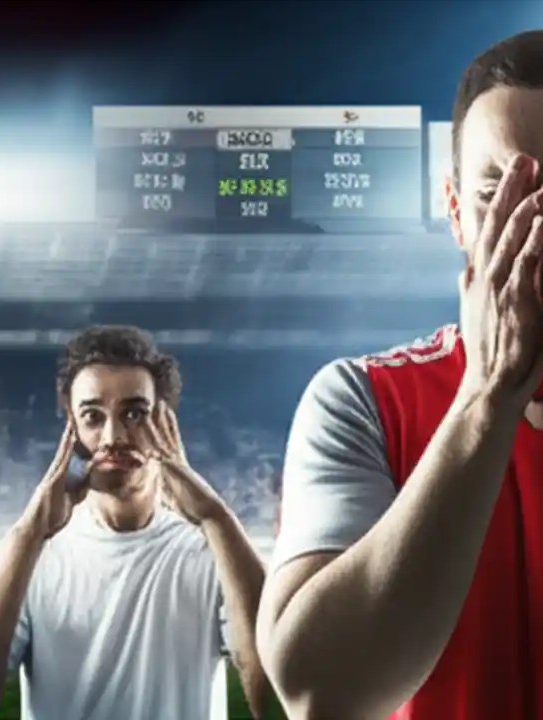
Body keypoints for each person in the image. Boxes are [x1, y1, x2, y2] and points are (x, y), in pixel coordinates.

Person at [257, 30, 543, 719]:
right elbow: (320, 691)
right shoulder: (362, 401)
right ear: (454, 212)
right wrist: (488, 393)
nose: (534, 234)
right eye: (499, 197)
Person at [0, 326, 268, 720]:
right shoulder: (29, 555)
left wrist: (216, 517)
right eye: (92, 416)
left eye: (134, 414)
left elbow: (275, 693)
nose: (113, 436)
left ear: (166, 422)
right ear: (70, 429)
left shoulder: (210, 548)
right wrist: (27, 534)